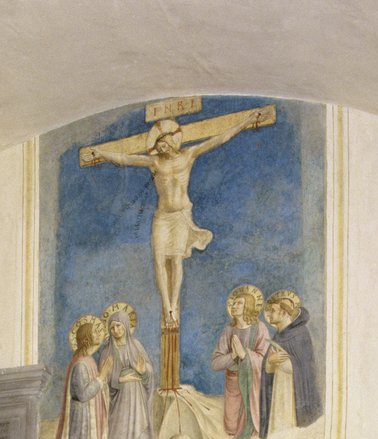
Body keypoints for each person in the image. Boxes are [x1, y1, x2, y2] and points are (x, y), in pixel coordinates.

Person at [86, 112, 261, 325]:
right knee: (159, 260)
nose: (162, 147)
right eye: (158, 144)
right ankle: (167, 305)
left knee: (176, 260)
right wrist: (101, 152)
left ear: (172, 140)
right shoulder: (155, 163)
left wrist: (245, 122)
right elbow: (126, 159)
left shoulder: (189, 155)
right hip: (162, 217)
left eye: (164, 142)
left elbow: (218, 139)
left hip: (180, 216)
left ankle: (173, 306)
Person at [38, 316, 110, 439]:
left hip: (88, 414)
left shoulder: (89, 360)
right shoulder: (80, 364)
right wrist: (101, 377)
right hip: (81, 416)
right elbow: (83, 394)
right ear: (87, 338)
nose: (99, 334)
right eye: (95, 332)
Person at [210, 285, 270, 439]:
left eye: (239, 303)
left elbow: (265, 360)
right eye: (234, 303)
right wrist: (233, 355)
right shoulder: (229, 330)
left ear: (248, 306)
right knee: (232, 427)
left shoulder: (260, 329)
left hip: (253, 384)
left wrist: (245, 355)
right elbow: (215, 363)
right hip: (233, 383)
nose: (234, 306)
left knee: (252, 431)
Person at [260, 290, 323, 435]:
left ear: (283, 313)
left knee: (291, 432)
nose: (270, 314)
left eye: (273, 310)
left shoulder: (300, 334)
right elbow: (268, 370)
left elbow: (305, 367)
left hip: (293, 394)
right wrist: (270, 361)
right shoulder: (277, 337)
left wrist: (284, 363)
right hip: (278, 390)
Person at [98, 304, 155, 439]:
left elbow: (148, 369)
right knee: (130, 385)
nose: (115, 330)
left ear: (126, 326)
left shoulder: (136, 345)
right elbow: (103, 377)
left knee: (134, 384)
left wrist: (142, 370)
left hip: (136, 393)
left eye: (118, 326)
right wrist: (121, 379)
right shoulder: (107, 350)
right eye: (112, 328)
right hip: (118, 394)